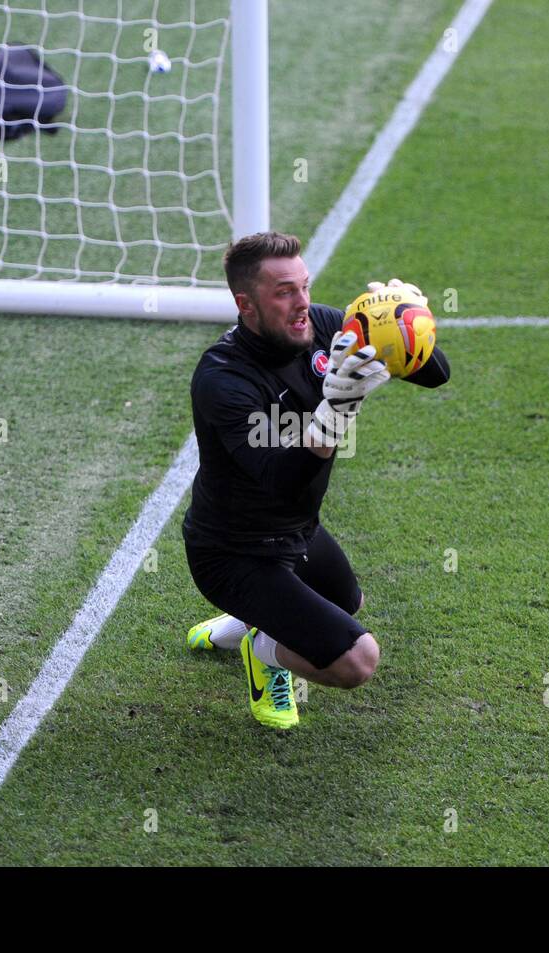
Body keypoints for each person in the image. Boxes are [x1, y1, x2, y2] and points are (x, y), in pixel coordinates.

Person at [181, 230, 451, 729]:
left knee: (349, 603)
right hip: (233, 552)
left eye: (304, 285)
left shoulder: (323, 326)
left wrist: (408, 319)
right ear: (246, 304)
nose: (303, 302)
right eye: (284, 291)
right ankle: (261, 649)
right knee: (357, 659)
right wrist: (334, 414)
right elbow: (282, 483)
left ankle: (254, 623)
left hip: (298, 532)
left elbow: (437, 375)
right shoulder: (223, 381)